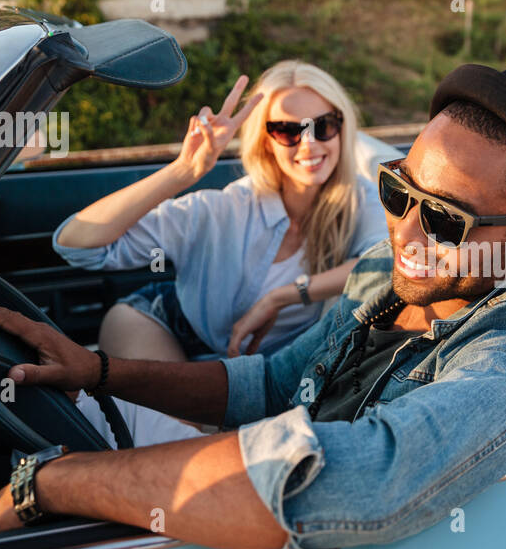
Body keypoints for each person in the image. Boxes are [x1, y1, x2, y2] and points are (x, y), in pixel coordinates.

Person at [0, 64, 506, 549]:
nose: (406, 232)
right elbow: (273, 385)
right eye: (398, 193)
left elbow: (367, 478)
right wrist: (100, 371)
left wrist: (51, 483)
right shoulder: (380, 276)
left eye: (447, 221)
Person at [53, 61, 387, 362]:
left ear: (342, 127)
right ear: (266, 142)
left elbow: (388, 262)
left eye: (324, 125)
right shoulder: (223, 209)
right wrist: (184, 171)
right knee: (183, 428)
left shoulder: (358, 198)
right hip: (161, 325)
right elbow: (78, 245)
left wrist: (284, 296)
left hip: (260, 366)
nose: (309, 143)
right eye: (288, 131)